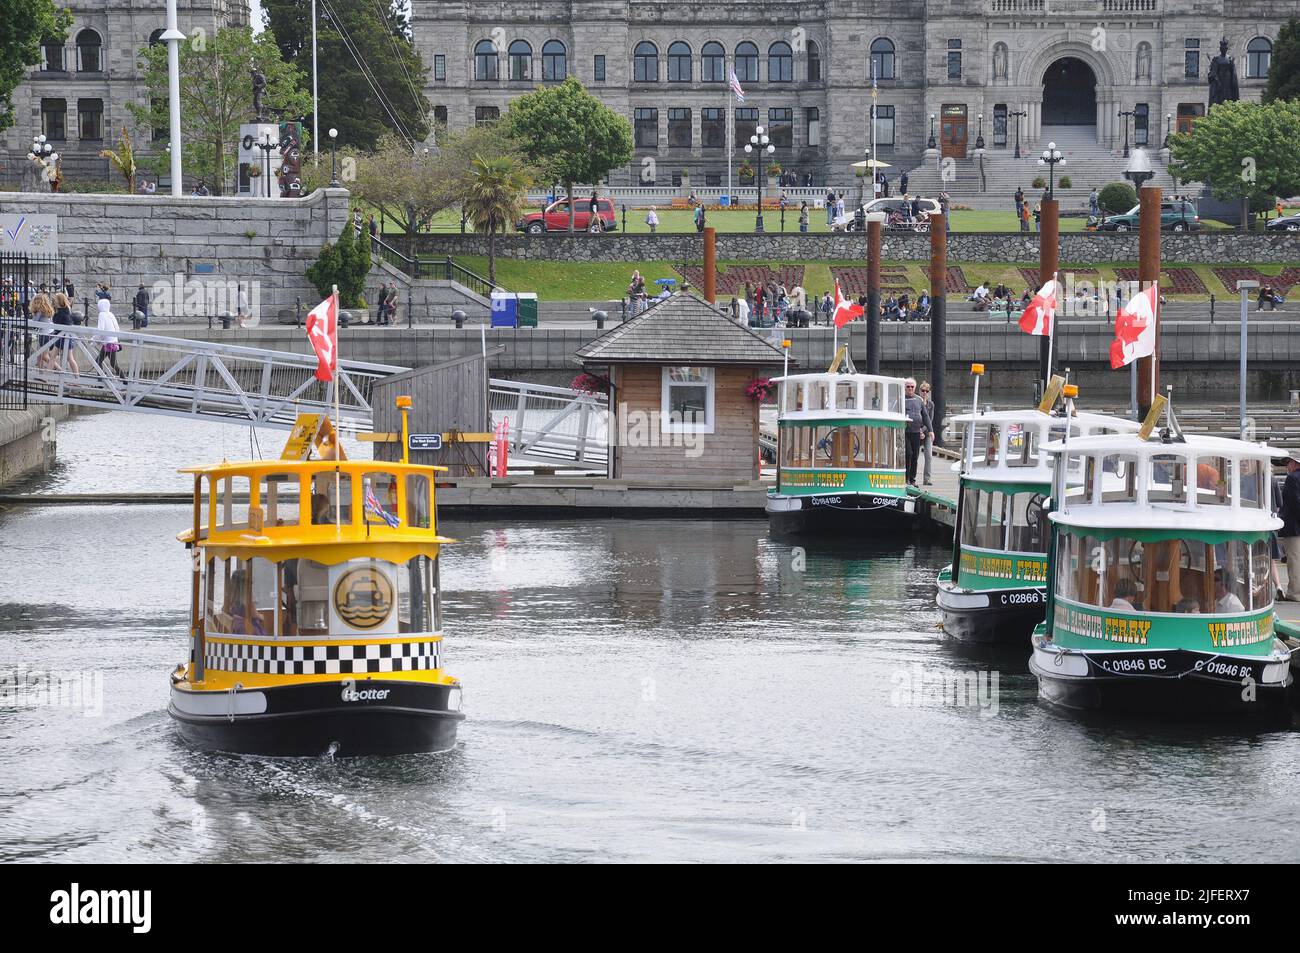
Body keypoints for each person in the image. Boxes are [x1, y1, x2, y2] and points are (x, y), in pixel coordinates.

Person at [1278, 451, 1300, 600]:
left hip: (1294, 525)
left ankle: (1295, 592)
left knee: (1295, 560)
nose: (1287, 466)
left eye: (1289, 463)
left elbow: (1294, 502)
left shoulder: (1292, 478)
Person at [903, 379, 933, 487]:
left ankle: (912, 479)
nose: (910, 388)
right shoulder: (901, 398)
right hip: (904, 431)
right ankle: (905, 478)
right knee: (908, 453)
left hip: (916, 432)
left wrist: (930, 430)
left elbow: (925, 416)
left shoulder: (919, 400)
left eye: (912, 387)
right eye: (908, 387)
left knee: (915, 455)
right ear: (905, 387)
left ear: (915, 388)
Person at [93, 297, 122, 376]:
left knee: (101, 361)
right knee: (112, 363)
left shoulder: (102, 315)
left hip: (108, 343)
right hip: (113, 342)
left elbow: (100, 330)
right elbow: (117, 328)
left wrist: (94, 340)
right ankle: (124, 380)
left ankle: (100, 380)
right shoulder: (110, 314)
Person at [919, 381, 935, 484]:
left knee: (928, 455)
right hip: (916, 430)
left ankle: (927, 479)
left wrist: (924, 431)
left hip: (927, 431)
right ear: (919, 391)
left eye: (926, 391)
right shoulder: (916, 401)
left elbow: (930, 419)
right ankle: (911, 478)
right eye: (923, 390)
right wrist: (919, 431)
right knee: (913, 455)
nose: (924, 392)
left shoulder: (931, 404)